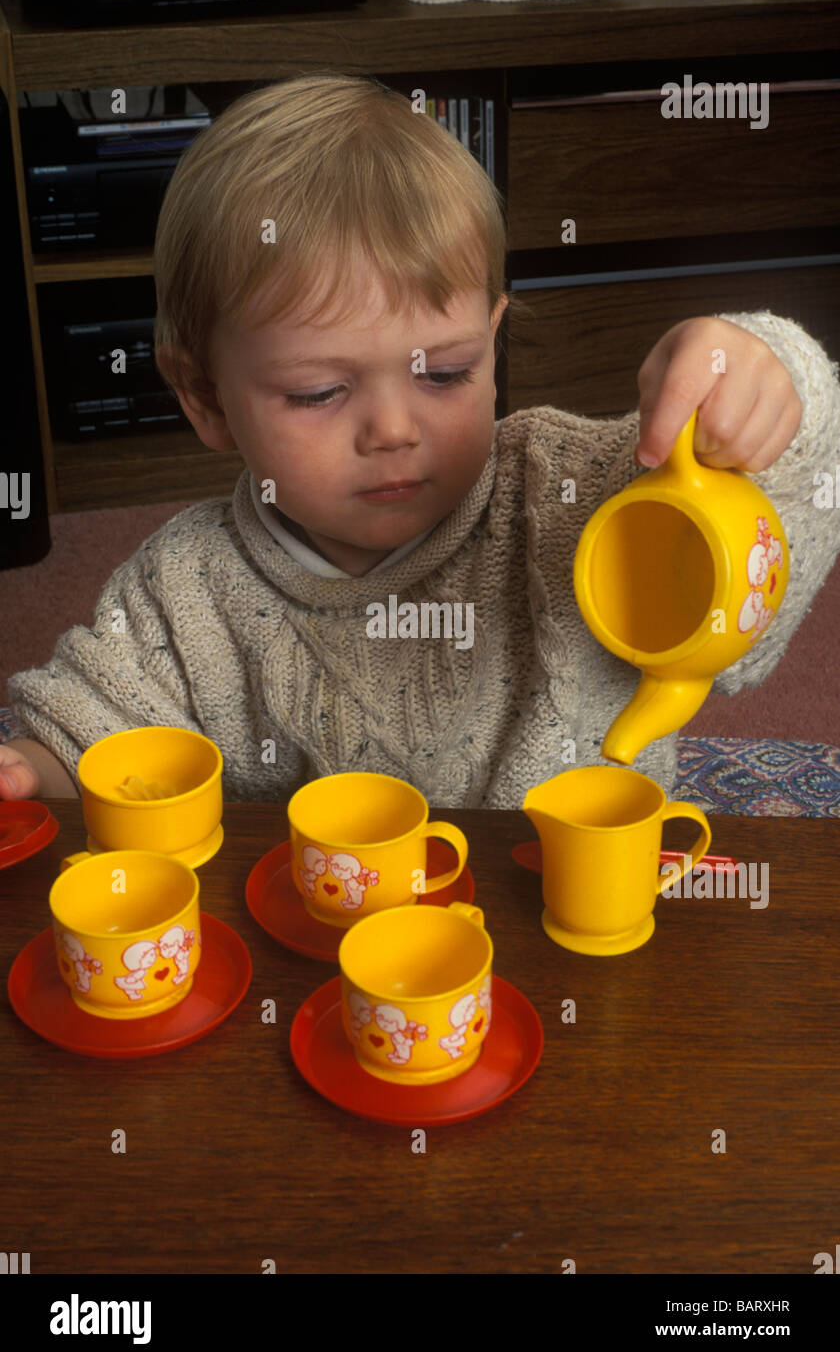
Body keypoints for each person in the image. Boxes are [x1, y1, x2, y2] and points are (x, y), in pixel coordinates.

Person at [3, 74, 839, 808]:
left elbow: (782, 511)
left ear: (493, 338)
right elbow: (89, 731)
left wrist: (767, 388)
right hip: (334, 963)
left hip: (575, 936)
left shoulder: (572, 496)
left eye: (443, 374)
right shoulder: (182, 590)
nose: (395, 431)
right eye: (319, 393)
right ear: (205, 397)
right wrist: (34, 770)